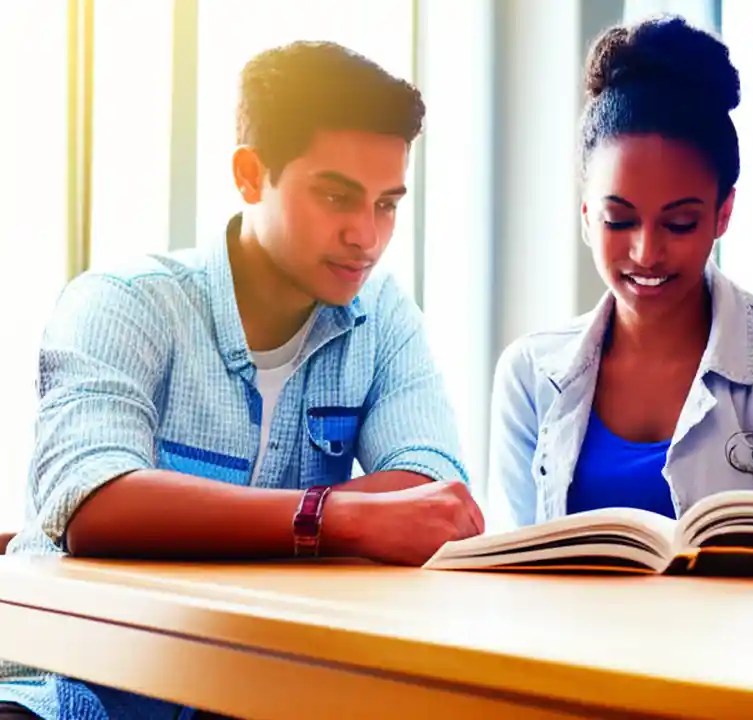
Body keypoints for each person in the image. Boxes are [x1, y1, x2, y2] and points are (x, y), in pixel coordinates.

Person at [0, 41, 482, 719]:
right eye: (336, 196)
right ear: (251, 175)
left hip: (253, 685)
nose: (366, 236)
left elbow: (429, 496)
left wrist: (198, 516)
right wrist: (331, 517)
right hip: (61, 689)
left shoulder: (383, 320)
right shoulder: (125, 302)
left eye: (386, 205)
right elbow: (95, 506)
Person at [483, 15, 753, 530]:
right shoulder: (529, 373)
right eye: (620, 219)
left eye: (679, 223)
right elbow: (512, 568)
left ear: (723, 213)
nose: (647, 251)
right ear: (587, 216)